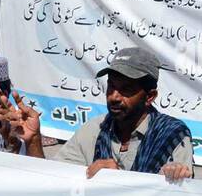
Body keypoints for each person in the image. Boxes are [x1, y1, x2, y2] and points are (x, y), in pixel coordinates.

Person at [56, 47, 192, 178]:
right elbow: (53, 178)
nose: (114, 97)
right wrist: (34, 143)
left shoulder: (172, 135)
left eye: (126, 89)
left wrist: (117, 178)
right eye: (111, 86)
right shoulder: (94, 129)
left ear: (149, 97)